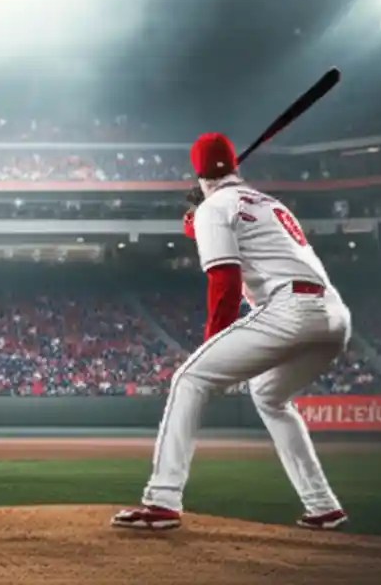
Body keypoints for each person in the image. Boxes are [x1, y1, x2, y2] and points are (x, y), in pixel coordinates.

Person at [113, 133, 349, 531]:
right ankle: (323, 505)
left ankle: (162, 500)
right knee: (270, 397)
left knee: (190, 379)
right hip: (333, 316)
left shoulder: (215, 207)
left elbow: (225, 281)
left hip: (289, 310)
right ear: (234, 169)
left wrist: (214, 346)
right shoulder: (268, 203)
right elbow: (236, 232)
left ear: (198, 174)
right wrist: (200, 217)